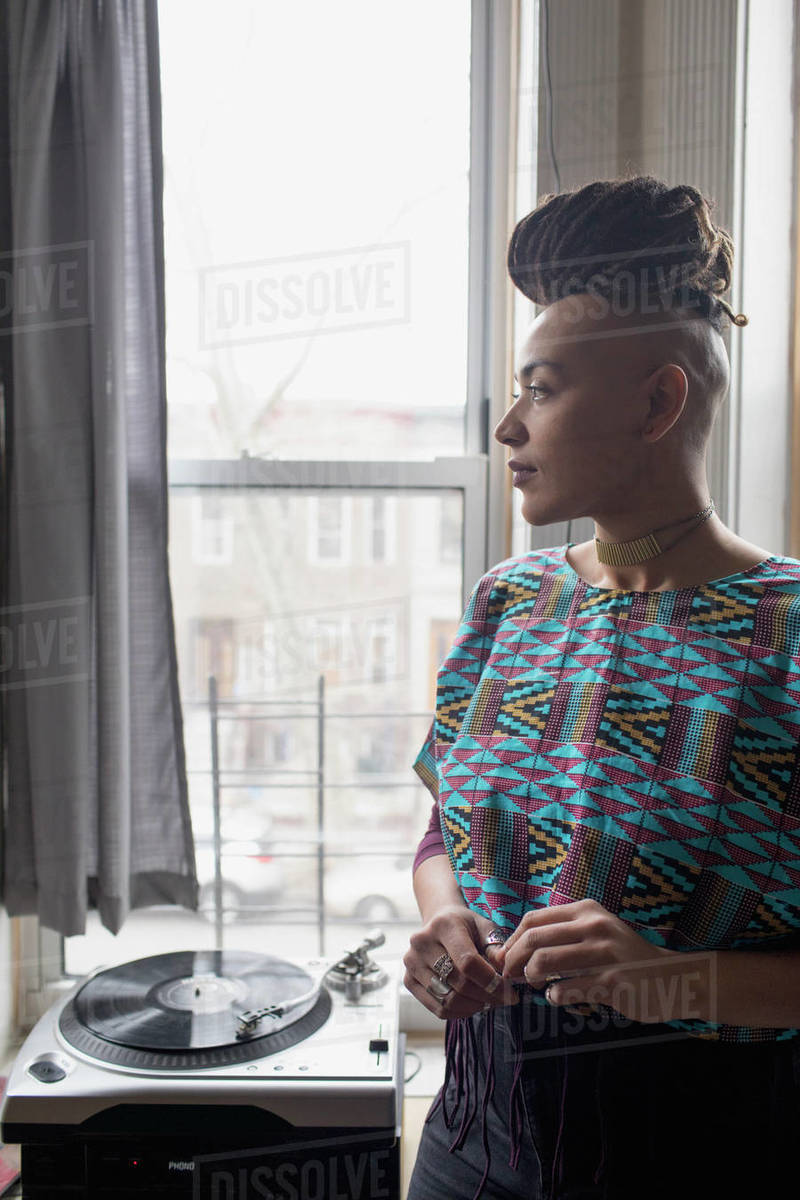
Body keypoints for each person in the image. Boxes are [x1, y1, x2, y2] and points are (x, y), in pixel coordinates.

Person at [403, 175, 800, 1200]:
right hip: (467, 1145)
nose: (507, 427)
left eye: (541, 390)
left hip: (709, 1161)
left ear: (657, 402)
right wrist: (447, 921)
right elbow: (444, 830)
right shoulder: (508, 601)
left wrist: (664, 977)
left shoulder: (789, 634)